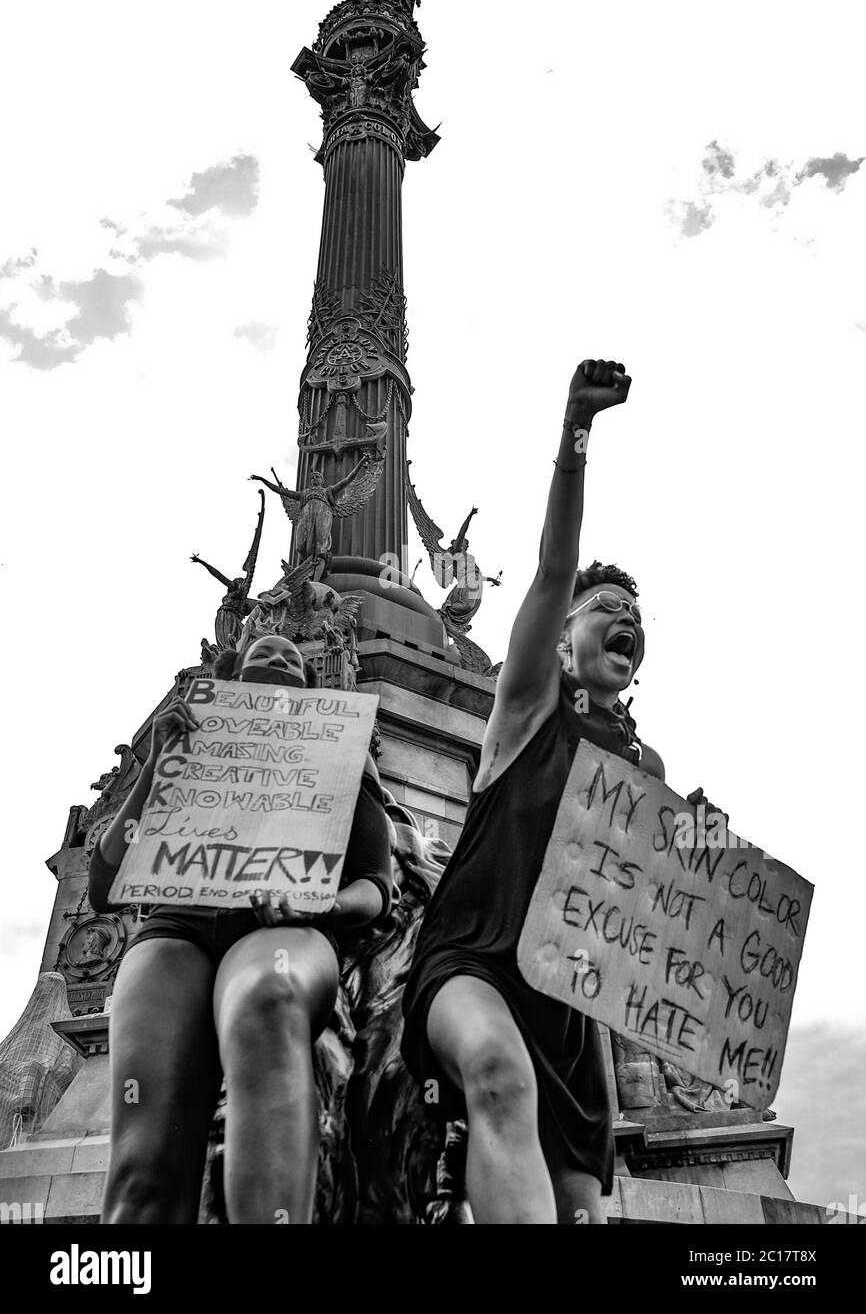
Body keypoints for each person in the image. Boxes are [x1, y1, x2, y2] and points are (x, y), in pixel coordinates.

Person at [400, 358, 666, 1225]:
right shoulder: (522, 713)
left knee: (581, 1208)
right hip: (474, 965)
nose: (626, 617)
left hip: (570, 1012)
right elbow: (553, 570)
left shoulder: (644, 773)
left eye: (637, 614)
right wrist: (575, 438)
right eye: (607, 608)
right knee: (498, 1076)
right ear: (559, 642)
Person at [90, 633, 393, 1224]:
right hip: (176, 930)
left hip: (285, 930)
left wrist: (318, 908)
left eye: (293, 660)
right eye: (265, 655)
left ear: (311, 687)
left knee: (266, 996)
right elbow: (104, 887)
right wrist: (155, 766)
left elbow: (373, 888)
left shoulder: (339, 751)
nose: (280, 661)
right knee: (143, 1166)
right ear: (233, 678)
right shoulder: (187, 743)